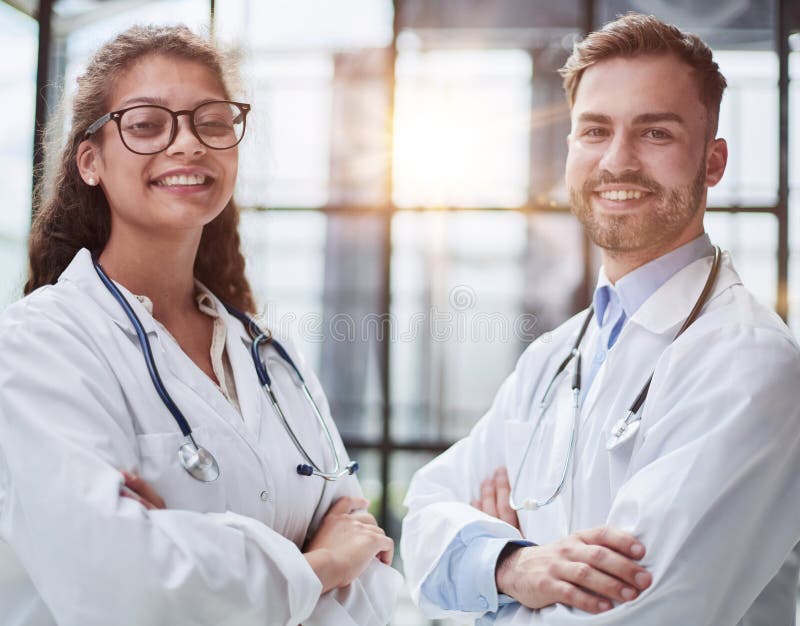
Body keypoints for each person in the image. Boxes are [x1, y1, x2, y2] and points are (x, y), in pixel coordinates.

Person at [400, 13, 800, 625]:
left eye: (655, 133)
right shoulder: (556, 354)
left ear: (713, 162)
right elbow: (424, 516)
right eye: (594, 131)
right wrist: (515, 566)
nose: (618, 161)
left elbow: (633, 616)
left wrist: (482, 584)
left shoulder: (746, 363)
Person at [0, 24, 402, 626]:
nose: (186, 144)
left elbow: (367, 561)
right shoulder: (40, 346)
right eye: (146, 124)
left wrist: (198, 552)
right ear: (90, 161)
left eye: (211, 122)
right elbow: (123, 588)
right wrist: (315, 568)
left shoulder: (272, 355)